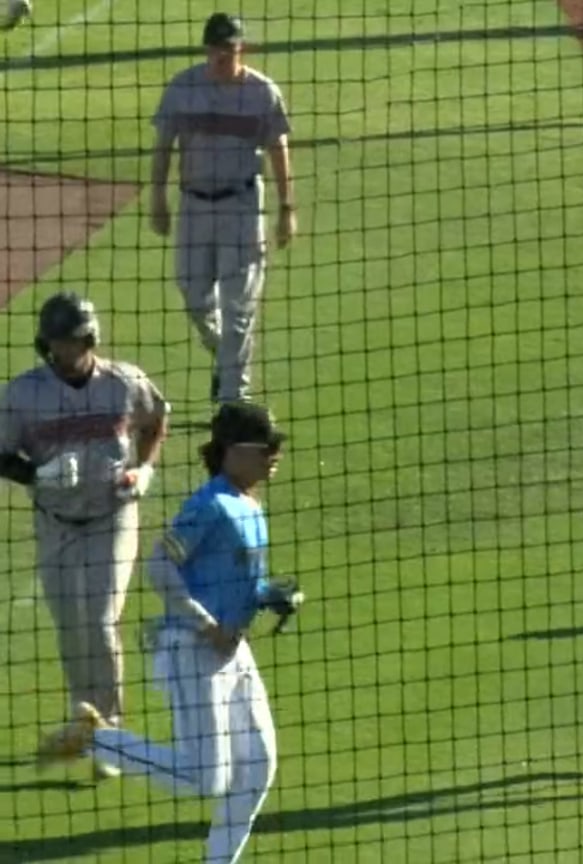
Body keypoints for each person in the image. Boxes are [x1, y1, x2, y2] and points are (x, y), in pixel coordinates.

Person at [37, 401, 290, 864]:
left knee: (257, 767)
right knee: (205, 777)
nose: (275, 455)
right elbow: (159, 565)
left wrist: (269, 593)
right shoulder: (210, 505)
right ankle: (94, 737)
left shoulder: (249, 504)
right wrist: (204, 621)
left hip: (233, 653)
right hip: (191, 649)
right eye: (266, 447)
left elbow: (236, 580)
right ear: (233, 451)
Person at [0, 292, 169, 781]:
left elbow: (156, 420)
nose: (63, 351)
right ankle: (86, 719)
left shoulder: (123, 381)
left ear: (88, 339)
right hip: (54, 525)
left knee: (98, 621)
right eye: (55, 343)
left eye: (70, 342)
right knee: (70, 627)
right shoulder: (23, 395)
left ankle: (111, 733)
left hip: (111, 519)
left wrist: (144, 468)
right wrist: (37, 476)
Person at [150, 12, 298, 404]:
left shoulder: (262, 92)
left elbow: (278, 149)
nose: (221, 57)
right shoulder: (182, 89)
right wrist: (157, 197)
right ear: (206, 49)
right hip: (194, 205)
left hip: (242, 206)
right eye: (215, 49)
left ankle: (234, 398)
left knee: (239, 306)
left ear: (241, 49)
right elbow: (164, 145)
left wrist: (287, 208)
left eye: (228, 50)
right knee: (193, 293)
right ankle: (225, 357)